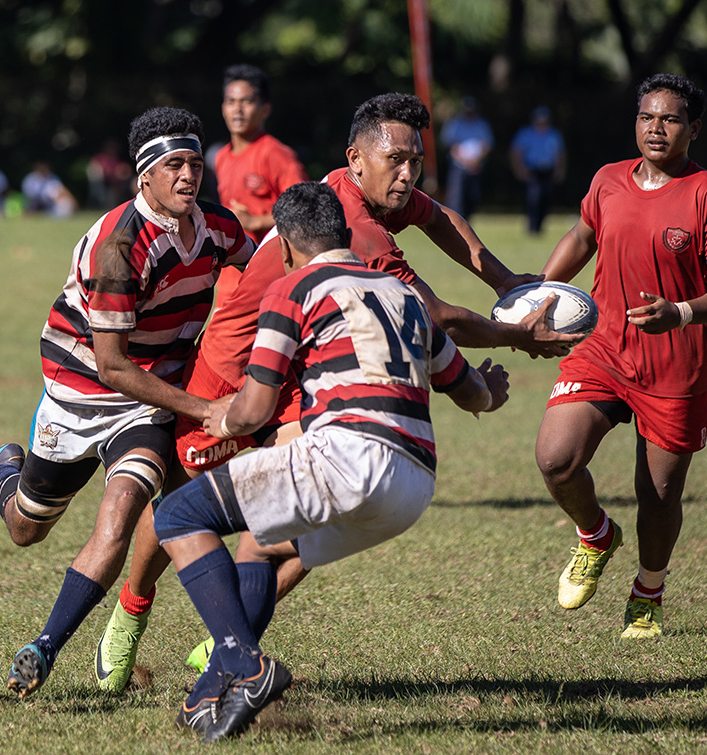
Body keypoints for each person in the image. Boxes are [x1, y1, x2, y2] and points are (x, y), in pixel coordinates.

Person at [93, 92, 579, 693]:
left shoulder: (378, 187)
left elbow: (440, 219)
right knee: (183, 502)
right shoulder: (355, 224)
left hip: (304, 369)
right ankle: (129, 616)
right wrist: (516, 334)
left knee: (310, 509)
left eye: (416, 161)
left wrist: (506, 280)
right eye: (395, 160)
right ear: (356, 158)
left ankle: (233, 639)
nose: (407, 174)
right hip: (233, 366)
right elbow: (437, 319)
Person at [155, 180, 510, 741]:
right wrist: (490, 387)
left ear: (288, 248)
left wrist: (223, 419)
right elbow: (469, 392)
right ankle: (212, 689)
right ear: (347, 235)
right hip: (413, 486)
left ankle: (243, 666)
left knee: (176, 516)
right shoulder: (406, 297)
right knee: (260, 542)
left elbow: (253, 410)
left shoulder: (294, 287)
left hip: (347, 455)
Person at [0, 106, 255, 699]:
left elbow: (266, 271)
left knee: (121, 508)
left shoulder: (217, 226)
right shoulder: (119, 247)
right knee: (25, 530)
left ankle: (44, 646)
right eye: (174, 165)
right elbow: (113, 365)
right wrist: (202, 408)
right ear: (144, 175)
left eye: (195, 163)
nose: (188, 176)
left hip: (148, 399)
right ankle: (4, 474)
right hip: (84, 387)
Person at [534, 74, 707, 639]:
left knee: (656, 495)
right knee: (556, 458)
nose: (657, 128)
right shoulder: (608, 180)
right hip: (604, 349)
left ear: (693, 129)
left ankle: (648, 590)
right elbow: (583, 238)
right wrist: (539, 295)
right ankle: (596, 535)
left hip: (675, 367)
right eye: (647, 116)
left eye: (671, 119)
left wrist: (679, 312)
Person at [212, 63, 310, 302]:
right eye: (231, 101)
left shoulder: (276, 155)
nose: (237, 109)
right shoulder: (221, 157)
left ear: (265, 109)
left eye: (246, 101)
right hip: (229, 280)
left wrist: (255, 221)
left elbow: (307, 211)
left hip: (269, 279)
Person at [510, 106, 566, 234]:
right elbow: (516, 152)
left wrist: (559, 170)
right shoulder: (526, 134)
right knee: (533, 198)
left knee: (546, 198)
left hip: (547, 170)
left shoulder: (553, 135)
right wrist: (519, 169)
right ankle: (532, 225)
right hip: (532, 170)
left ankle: (540, 225)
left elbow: (560, 155)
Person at [441, 96, 494, 218]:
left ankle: (467, 219)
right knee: (456, 198)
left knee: (472, 197)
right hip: (458, 166)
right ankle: (455, 221)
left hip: (476, 166)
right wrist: (465, 162)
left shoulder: (482, 125)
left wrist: (476, 162)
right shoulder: (455, 124)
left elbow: (487, 145)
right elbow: (451, 146)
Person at [86, 138, 133, 209]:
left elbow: (121, 170)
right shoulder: (100, 158)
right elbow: (94, 170)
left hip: (115, 181)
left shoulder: (115, 160)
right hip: (103, 181)